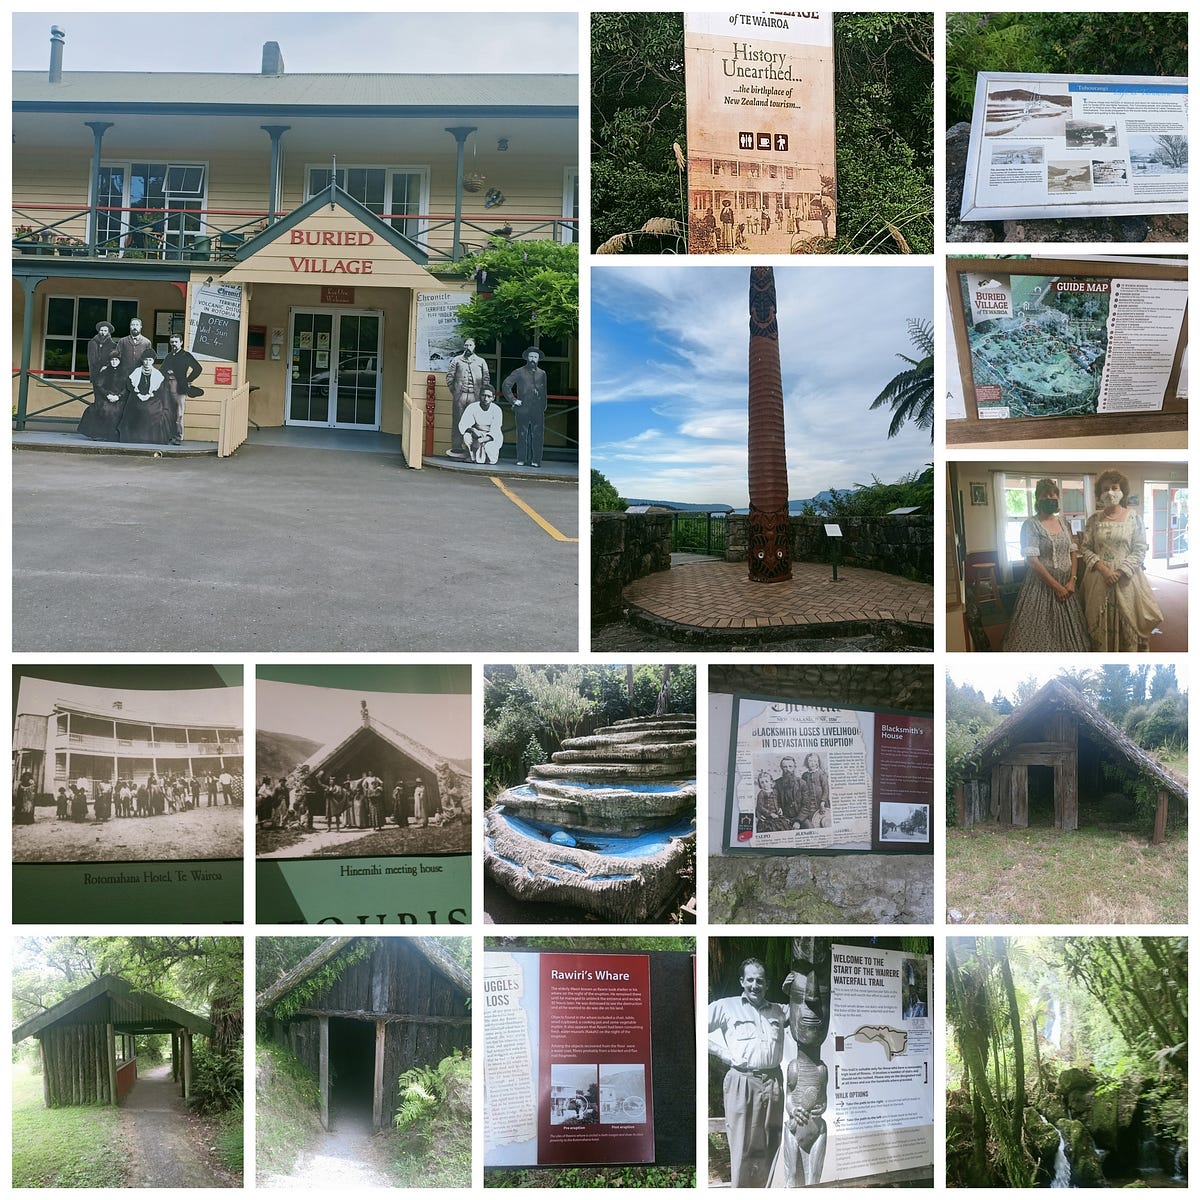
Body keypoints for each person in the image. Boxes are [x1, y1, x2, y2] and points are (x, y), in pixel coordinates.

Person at [708, 958, 786, 1188]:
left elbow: (806, 1013)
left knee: (773, 1142)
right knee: (742, 1145)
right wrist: (722, 1053)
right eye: (750, 979)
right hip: (742, 1082)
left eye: (760, 980)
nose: (755, 985)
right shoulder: (725, 1006)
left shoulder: (779, 1011)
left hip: (773, 1082)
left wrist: (794, 989)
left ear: (767, 984)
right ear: (742, 981)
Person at [1001, 479, 1092, 653]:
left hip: (1067, 585)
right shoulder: (1030, 525)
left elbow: (1073, 552)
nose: (1050, 498)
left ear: (1057, 498)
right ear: (1037, 499)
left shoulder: (1063, 522)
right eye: (1045, 495)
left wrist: (1072, 581)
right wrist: (1057, 587)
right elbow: (1032, 561)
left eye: (1053, 495)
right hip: (1040, 587)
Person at [769, 939, 832, 1188]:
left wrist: (820, 1109)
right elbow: (788, 1098)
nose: (813, 996)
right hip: (795, 1127)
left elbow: (824, 1098)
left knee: (814, 1181)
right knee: (792, 1179)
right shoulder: (793, 1067)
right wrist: (792, 1110)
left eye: (823, 992)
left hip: (817, 1128)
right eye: (799, 995)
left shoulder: (821, 1070)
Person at [1079, 470, 1163, 651]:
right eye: (1105, 489)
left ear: (1122, 490)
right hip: (1098, 579)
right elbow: (1085, 548)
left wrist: (1119, 571)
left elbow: (1140, 548)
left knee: (1129, 620)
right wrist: (1103, 569)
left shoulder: (1134, 518)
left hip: (1127, 580)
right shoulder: (1093, 520)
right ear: (1099, 494)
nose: (1110, 492)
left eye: (1114, 487)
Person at [501, 347, 548, 467]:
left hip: (537, 409)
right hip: (523, 408)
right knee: (522, 434)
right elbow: (506, 385)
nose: (533, 359)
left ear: (538, 359)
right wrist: (513, 400)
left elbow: (544, 391)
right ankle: (521, 459)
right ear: (527, 357)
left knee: (538, 435)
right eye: (531, 356)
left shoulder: (542, 373)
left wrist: (543, 406)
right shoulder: (519, 371)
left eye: (535, 357)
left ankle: (536, 461)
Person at [445, 337, 491, 459]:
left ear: (474, 347)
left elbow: (486, 379)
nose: (467, 347)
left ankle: (471, 449)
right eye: (466, 345)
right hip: (460, 396)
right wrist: (454, 391)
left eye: (470, 345)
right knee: (457, 421)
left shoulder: (481, 361)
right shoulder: (457, 360)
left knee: (473, 423)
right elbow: (450, 377)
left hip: (475, 396)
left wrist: (482, 394)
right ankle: (456, 447)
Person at [118, 351, 174, 444]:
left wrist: (149, 395)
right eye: (146, 360)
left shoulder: (158, 374)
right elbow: (130, 385)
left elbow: (160, 390)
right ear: (142, 360)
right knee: (133, 410)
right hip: (136, 397)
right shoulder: (136, 372)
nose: (147, 362)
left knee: (149, 411)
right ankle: (134, 438)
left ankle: (150, 438)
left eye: (150, 360)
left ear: (153, 361)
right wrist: (138, 394)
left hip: (152, 399)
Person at [161, 333, 203, 445]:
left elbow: (198, 368)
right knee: (168, 411)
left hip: (180, 388)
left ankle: (178, 437)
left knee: (179, 414)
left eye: (176, 342)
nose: (174, 344)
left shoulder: (186, 355)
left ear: (181, 343)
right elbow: (161, 370)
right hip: (168, 387)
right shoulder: (169, 356)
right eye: (172, 342)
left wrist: (188, 380)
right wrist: (167, 372)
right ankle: (169, 436)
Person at [79, 351, 128, 441]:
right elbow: (99, 385)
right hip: (106, 397)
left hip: (120, 399)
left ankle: (115, 435)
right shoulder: (105, 372)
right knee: (102, 409)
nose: (114, 362)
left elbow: (127, 387)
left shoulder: (125, 372)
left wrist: (119, 396)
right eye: (112, 360)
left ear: (120, 361)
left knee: (117, 411)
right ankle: (100, 434)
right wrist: (107, 395)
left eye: (116, 360)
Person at [458, 384, 504, 464]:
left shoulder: (496, 410)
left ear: (493, 398)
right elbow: (464, 424)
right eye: (483, 395)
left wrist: (480, 441)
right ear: (479, 396)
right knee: (467, 437)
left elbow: (495, 431)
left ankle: (487, 457)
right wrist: (473, 430)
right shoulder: (472, 407)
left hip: (491, 437)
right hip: (477, 433)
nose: (485, 398)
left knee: (489, 449)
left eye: (489, 396)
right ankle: (473, 457)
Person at [800, 753, 831, 828]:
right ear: (807, 762)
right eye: (810, 761)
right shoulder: (804, 775)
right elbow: (803, 789)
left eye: (814, 761)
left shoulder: (821, 773)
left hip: (820, 803)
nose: (812, 763)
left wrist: (822, 802)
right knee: (812, 821)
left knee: (822, 821)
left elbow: (826, 789)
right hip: (809, 804)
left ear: (818, 762)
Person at [754, 768, 789, 833]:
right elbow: (760, 806)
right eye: (762, 782)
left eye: (766, 781)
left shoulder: (775, 791)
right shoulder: (761, 793)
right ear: (759, 784)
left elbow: (778, 802)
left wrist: (780, 808)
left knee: (783, 827)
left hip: (777, 815)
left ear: (771, 782)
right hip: (767, 817)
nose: (764, 784)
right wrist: (770, 814)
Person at [772, 756, 804, 826]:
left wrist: (798, 821)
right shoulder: (777, 783)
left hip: (800, 817)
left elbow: (806, 805)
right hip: (783, 817)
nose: (788, 769)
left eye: (790, 766)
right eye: (785, 767)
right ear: (781, 768)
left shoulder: (802, 783)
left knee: (810, 827)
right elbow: (772, 799)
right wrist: (778, 808)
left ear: (794, 767)